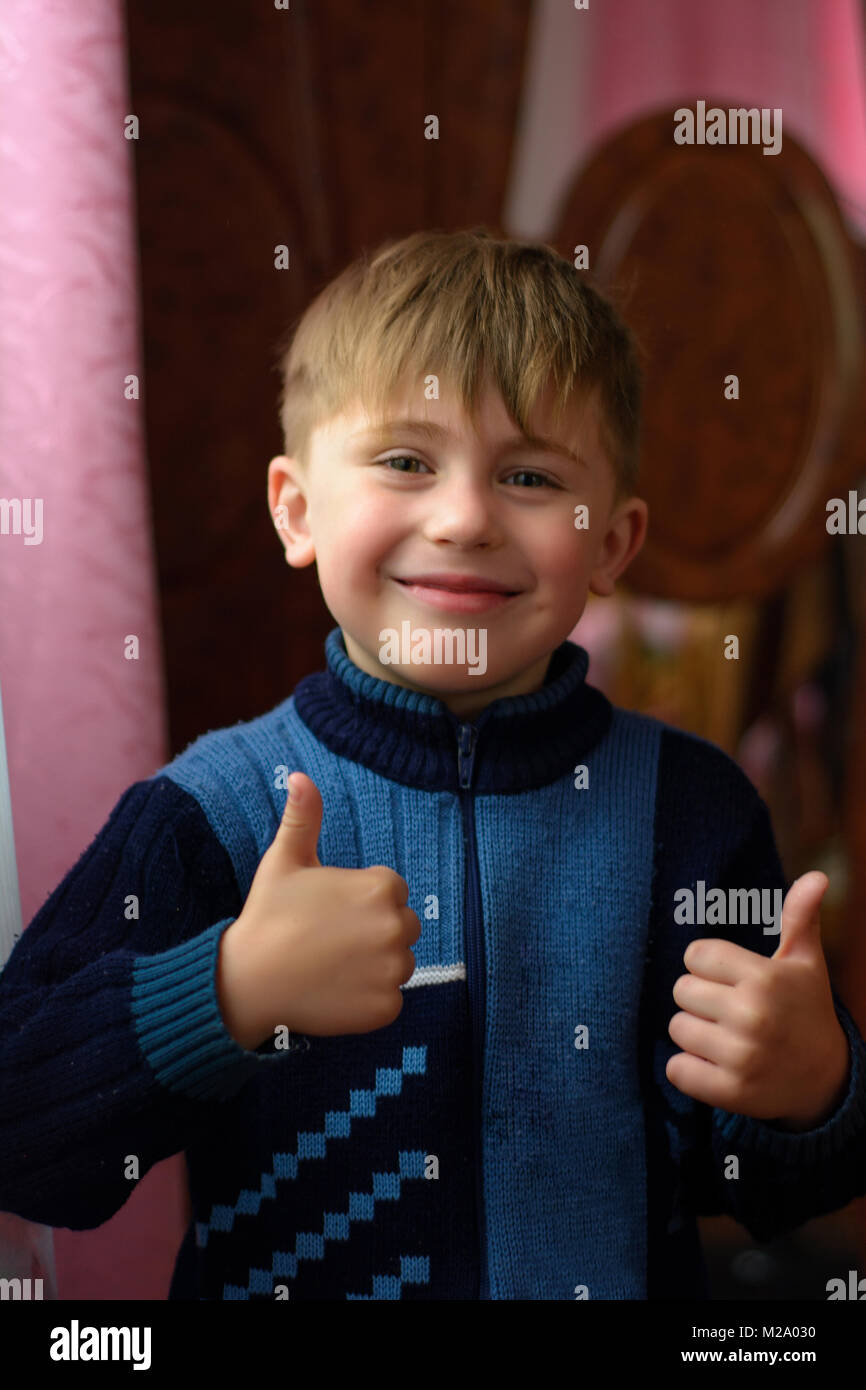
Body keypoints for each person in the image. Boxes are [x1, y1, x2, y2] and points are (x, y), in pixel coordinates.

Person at [1, 228, 864, 1301]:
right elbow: (24, 1138)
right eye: (405, 461)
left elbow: (761, 1188)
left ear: (611, 545)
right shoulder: (205, 813)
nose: (463, 519)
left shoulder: (690, 812)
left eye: (529, 475)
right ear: (297, 509)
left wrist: (811, 1089)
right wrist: (227, 990)